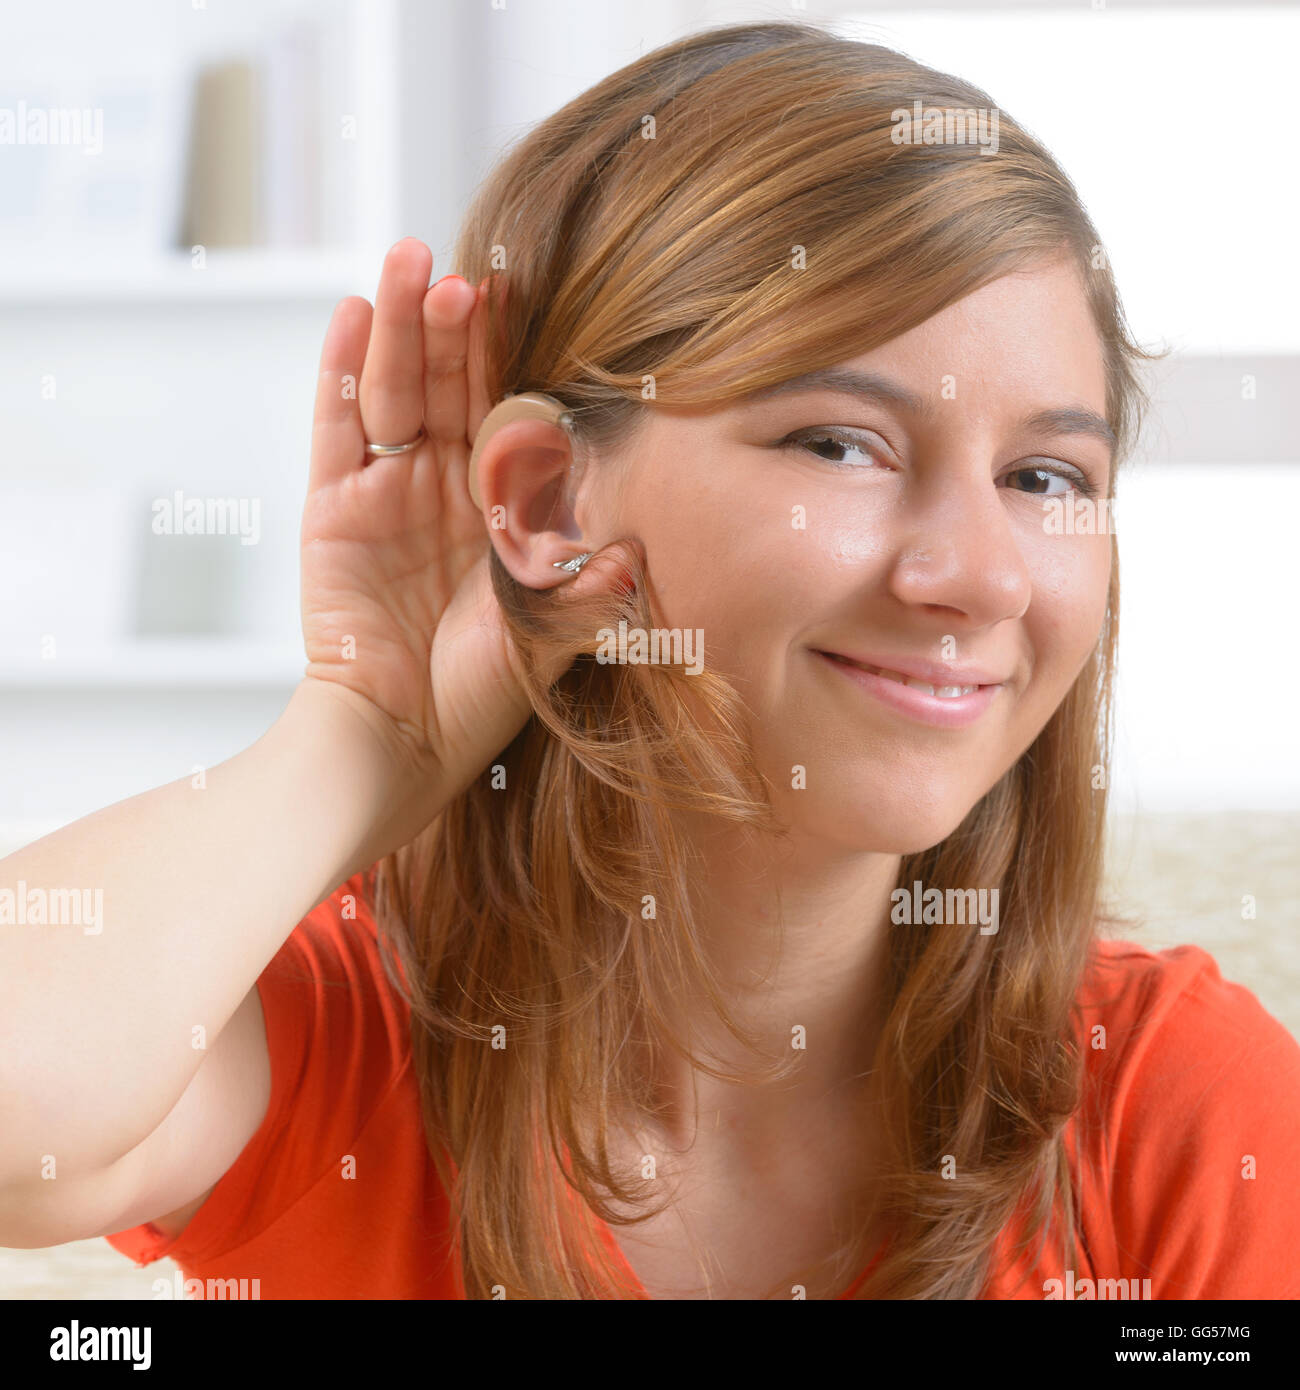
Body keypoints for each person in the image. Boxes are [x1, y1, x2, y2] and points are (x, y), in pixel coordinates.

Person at [2, 19, 1297, 1301]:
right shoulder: (348, 1035)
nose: (982, 574)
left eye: (1044, 475)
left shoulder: (1175, 1103)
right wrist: (363, 729)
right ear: (552, 500)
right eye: (842, 445)